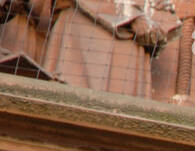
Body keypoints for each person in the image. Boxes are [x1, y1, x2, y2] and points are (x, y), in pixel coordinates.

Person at [30, 0, 178, 98]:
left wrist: (158, 26)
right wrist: (133, 17)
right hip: (85, 26)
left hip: (132, 44)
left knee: (124, 115)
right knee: (73, 102)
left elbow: (163, 12)